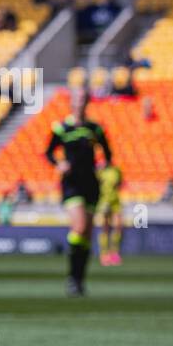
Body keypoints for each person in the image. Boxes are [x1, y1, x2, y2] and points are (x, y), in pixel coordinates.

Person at [45, 89, 112, 295]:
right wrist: (59, 163)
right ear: (72, 102)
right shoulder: (61, 128)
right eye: (77, 99)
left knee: (87, 235)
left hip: (91, 184)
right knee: (80, 227)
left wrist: (103, 165)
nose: (80, 103)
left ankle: (78, 280)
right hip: (71, 184)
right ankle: (72, 277)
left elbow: (108, 154)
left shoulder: (95, 128)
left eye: (84, 99)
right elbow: (48, 152)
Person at [96, 162, 123, 266]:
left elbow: (120, 183)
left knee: (118, 226)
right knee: (105, 228)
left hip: (115, 201)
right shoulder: (100, 170)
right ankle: (104, 254)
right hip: (103, 201)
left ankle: (114, 253)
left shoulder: (116, 170)